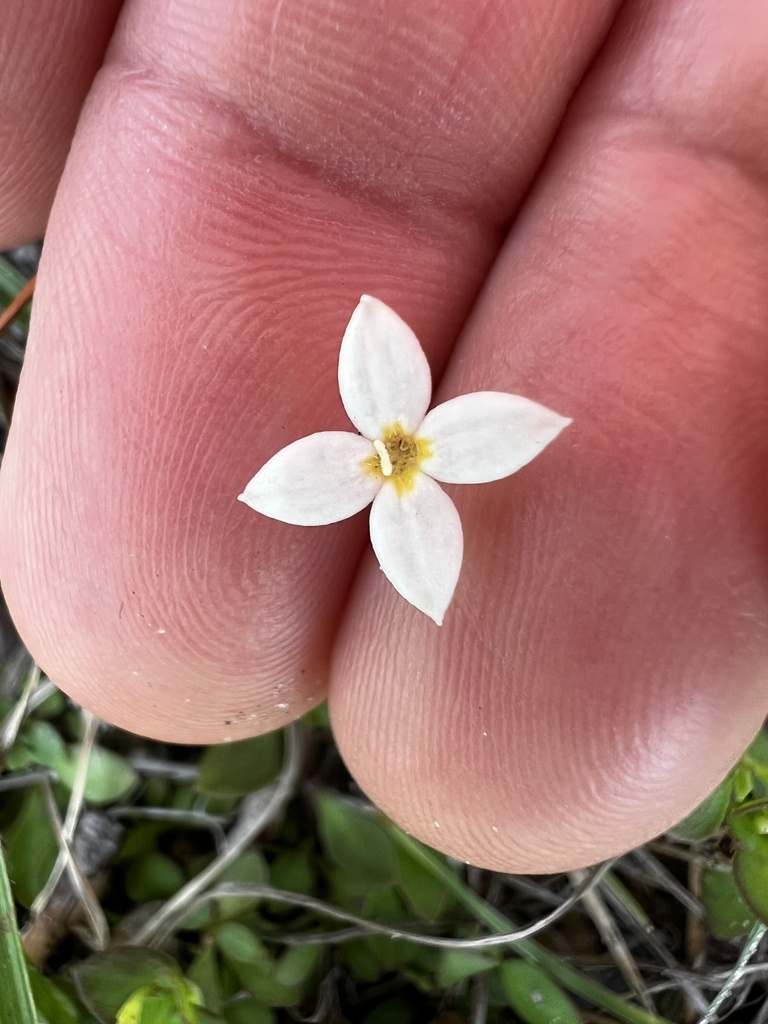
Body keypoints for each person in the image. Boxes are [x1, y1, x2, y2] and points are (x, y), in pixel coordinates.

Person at [0, 0, 766, 875]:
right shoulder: (374, 438)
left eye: (398, 450)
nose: (397, 454)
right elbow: (309, 463)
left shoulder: (420, 430)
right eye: (395, 451)